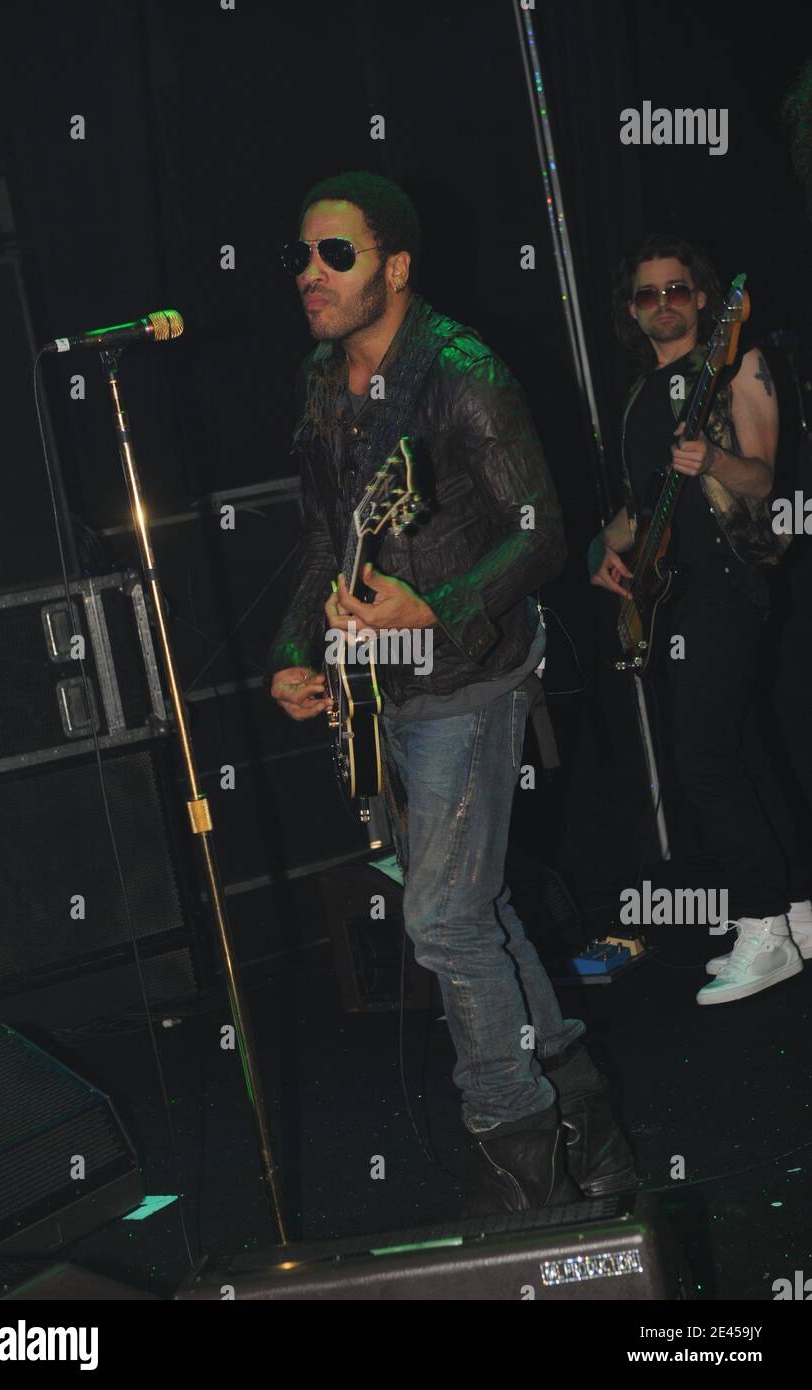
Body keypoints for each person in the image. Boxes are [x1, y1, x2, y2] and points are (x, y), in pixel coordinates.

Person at [268, 169, 636, 1211]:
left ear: (395, 265)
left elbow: (542, 535)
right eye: (299, 255)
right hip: (377, 692)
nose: (310, 273)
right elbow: (319, 540)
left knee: (438, 920)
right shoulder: (320, 385)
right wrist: (295, 653)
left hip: (471, 675)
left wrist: (432, 608)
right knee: (479, 912)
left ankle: (522, 1166)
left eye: (334, 253)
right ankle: (593, 1143)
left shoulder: (462, 372)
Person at [589, 235, 812, 1004]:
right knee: (741, 750)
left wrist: (711, 461)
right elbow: (640, 508)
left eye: (676, 290)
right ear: (631, 309)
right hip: (673, 596)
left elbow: (761, 480)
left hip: (728, 584)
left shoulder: (735, 366)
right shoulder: (636, 396)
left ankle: (758, 926)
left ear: (702, 297)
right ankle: (795, 910)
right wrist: (601, 547)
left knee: (704, 761)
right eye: (647, 294)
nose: (663, 304)